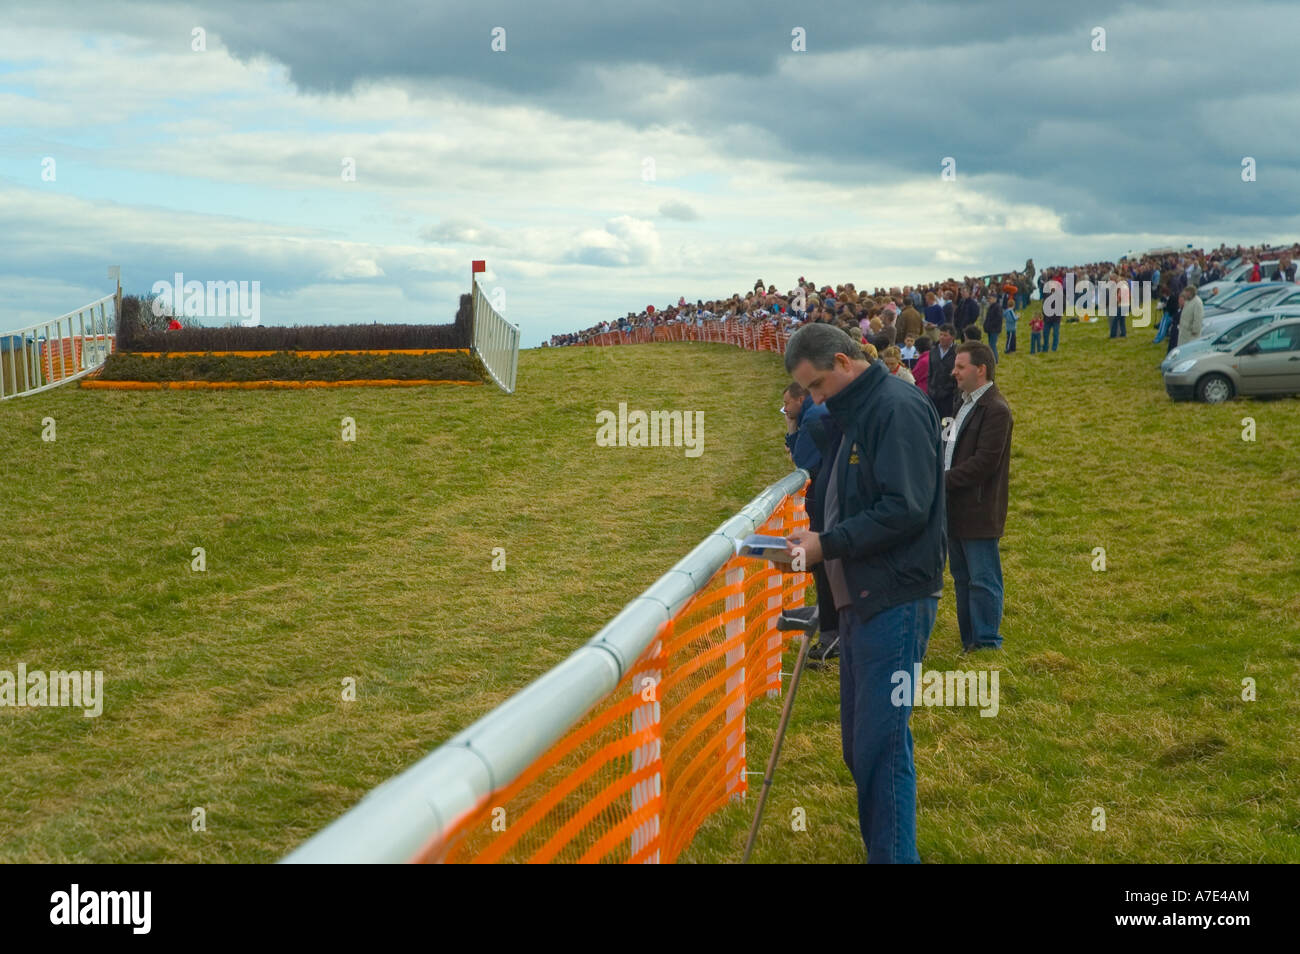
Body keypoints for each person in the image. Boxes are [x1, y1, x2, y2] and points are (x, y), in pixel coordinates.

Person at [783, 322, 945, 864]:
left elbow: (906, 506)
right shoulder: (858, 412)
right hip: (862, 599)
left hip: (893, 599)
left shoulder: (894, 408)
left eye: (818, 387)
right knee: (862, 745)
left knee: (880, 747)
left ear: (843, 362)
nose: (815, 401)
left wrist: (828, 543)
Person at [945, 341, 1012, 653]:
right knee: (962, 577)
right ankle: (970, 639)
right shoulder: (964, 403)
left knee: (983, 578)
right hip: (955, 506)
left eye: (960, 367)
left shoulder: (996, 410)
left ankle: (986, 642)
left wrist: (939, 480)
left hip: (980, 508)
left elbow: (984, 464)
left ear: (980, 369)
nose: (953, 372)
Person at [928, 324, 958, 421]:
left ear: (952, 337)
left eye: (945, 335)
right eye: (940, 334)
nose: (941, 337)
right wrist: (930, 388)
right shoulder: (933, 350)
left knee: (947, 424)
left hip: (949, 396)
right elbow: (930, 372)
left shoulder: (957, 352)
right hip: (933, 394)